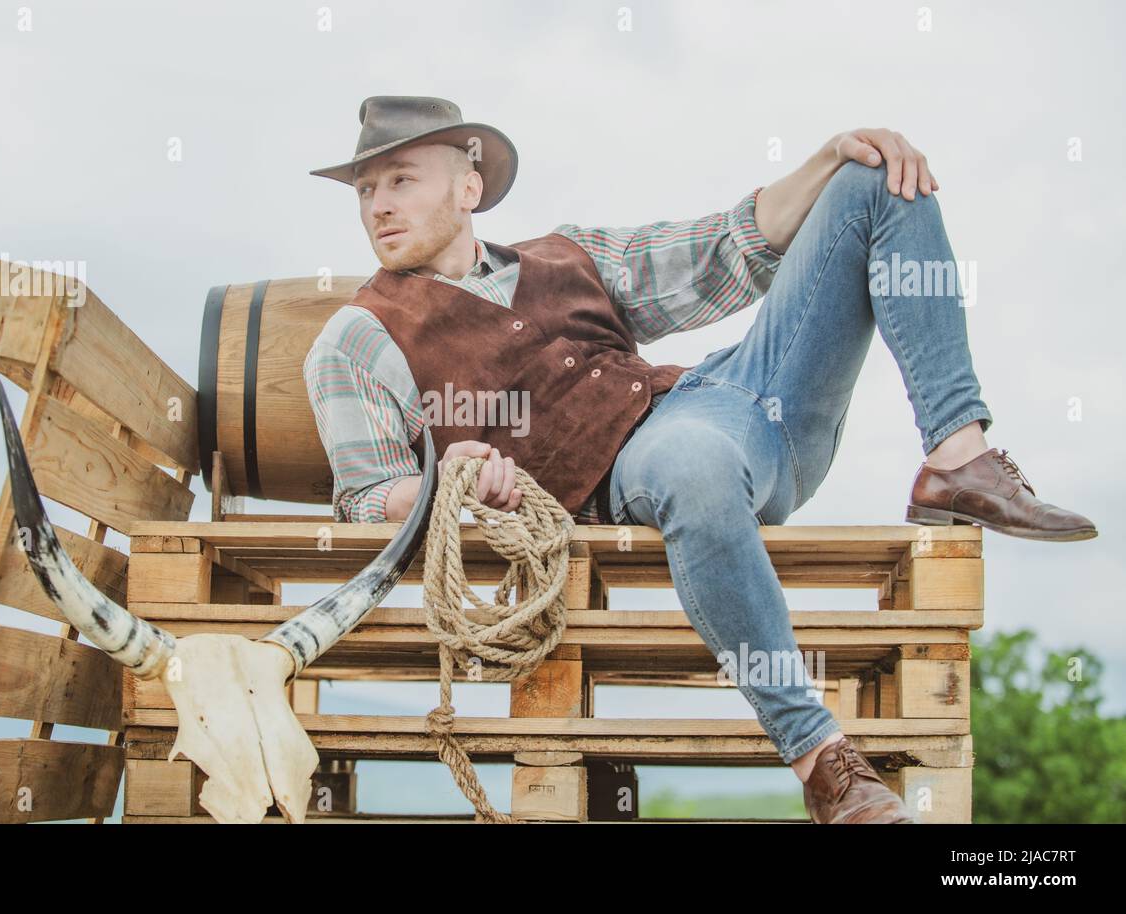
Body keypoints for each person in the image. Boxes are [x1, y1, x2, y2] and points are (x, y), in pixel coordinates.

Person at [304, 96, 1097, 824]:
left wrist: (827, 156)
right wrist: (451, 481)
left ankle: (959, 455)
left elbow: (725, 247)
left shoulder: (568, 256)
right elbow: (367, 495)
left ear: (469, 188)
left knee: (874, 180)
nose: (378, 205)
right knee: (691, 462)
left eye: (400, 180)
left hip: (739, 403)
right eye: (365, 190)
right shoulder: (357, 338)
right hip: (648, 472)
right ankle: (824, 761)